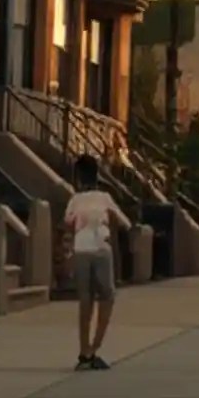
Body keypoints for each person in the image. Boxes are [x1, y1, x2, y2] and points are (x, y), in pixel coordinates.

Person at [64, 154, 132, 371]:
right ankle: (94, 348)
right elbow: (125, 223)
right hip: (102, 250)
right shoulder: (105, 198)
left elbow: (67, 222)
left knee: (85, 301)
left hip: (81, 249)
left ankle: (84, 351)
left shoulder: (74, 200)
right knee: (107, 296)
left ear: (78, 178)